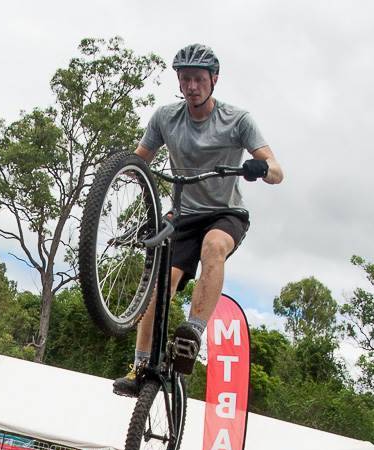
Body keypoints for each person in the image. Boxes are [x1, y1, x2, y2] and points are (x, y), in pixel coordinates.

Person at [114, 44, 282, 397]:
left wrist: (261, 167)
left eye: (199, 79)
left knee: (214, 246)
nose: (192, 86)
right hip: (185, 216)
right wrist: (118, 173)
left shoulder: (237, 120)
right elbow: (139, 160)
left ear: (213, 81)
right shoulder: (165, 118)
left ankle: (191, 334)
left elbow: (277, 171)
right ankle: (140, 366)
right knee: (159, 288)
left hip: (225, 213)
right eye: (185, 79)